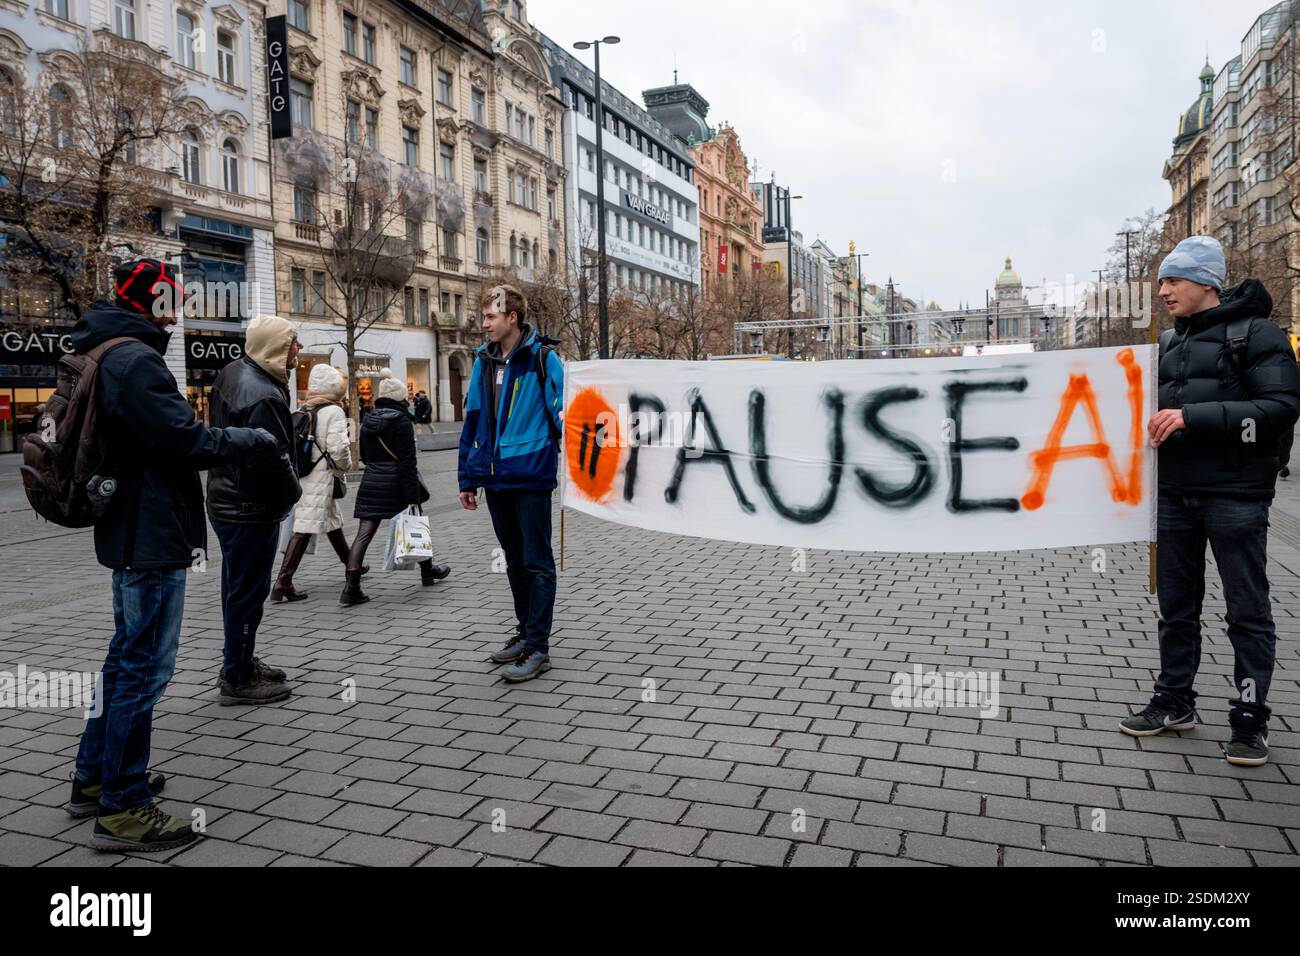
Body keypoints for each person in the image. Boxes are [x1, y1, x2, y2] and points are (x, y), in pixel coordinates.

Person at [68, 258, 279, 851]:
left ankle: (94, 777)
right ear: (154, 301)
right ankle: (124, 806)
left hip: (131, 529)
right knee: (144, 668)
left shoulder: (108, 349)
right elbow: (183, 441)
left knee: (123, 657)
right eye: (174, 298)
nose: (182, 306)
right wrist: (250, 440)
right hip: (151, 531)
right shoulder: (135, 360)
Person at [1122, 235, 1300, 767]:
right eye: (1161, 281)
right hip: (1174, 494)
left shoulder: (1259, 335)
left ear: (1205, 282)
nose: (1162, 291)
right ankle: (1174, 700)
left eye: (1172, 280)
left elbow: (1280, 408)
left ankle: (1249, 719)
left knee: (1246, 611)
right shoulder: (1171, 344)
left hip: (1235, 495)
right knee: (1177, 607)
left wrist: (1193, 418)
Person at [458, 285, 563, 683]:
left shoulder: (543, 358)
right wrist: (468, 477)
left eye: (490, 317)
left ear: (511, 317)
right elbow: (472, 421)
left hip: (531, 477)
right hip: (494, 479)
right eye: (484, 317)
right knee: (514, 561)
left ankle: (539, 647)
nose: (484, 324)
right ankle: (525, 634)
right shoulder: (483, 362)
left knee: (538, 563)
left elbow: (564, 412)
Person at [206, 314, 302, 705]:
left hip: (228, 500)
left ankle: (240, 661)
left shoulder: (235, 371)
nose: (297, 349)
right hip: (248, 507)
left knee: (237, 589)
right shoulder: (262, 393)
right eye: (293, 343)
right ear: (275, 348)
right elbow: (270, 458)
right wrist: (292, 492)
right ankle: (238, 678)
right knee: (246, 593)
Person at [341, 369, 450, 605]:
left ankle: (351, 587)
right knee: (414, 524)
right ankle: (427, 570)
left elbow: (366, 457)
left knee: (364, 533)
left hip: (372, 479)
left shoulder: (368, 419)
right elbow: (407, 463)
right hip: (397, 481)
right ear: (401, 397)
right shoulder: (401, 421)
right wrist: (413, 496)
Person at [271, 364, 359, 602]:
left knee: (331, 521)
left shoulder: (304, 408)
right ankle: (283, 582)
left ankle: (352, 564)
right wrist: (345, 467)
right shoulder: (334, 411)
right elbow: (339, 448)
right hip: (322, 475)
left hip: (304, 473)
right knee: (304, 527)